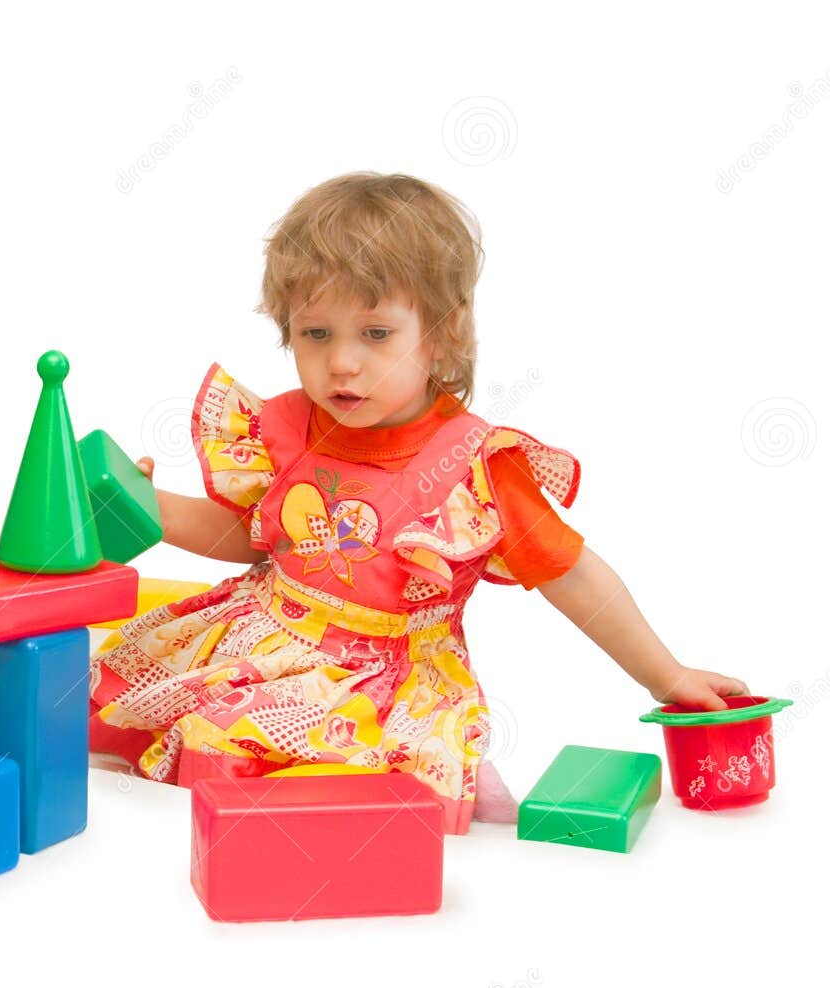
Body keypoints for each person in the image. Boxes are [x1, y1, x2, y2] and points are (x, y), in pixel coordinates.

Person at [89, 172, 746, 830]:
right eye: (316, 333)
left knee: (245, 746)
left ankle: (424, 794)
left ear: (441, 333)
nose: (342, 363)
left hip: (383, 679)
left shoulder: (476, 466)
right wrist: (152, 506)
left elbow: (571, 575)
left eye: (375, 334)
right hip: (264, 636)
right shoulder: (287, 424)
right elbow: (253, 537)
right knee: (114, 701)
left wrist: (666, 675)